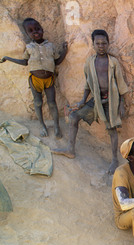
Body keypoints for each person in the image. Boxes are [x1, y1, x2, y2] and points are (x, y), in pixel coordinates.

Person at [52, 29, 128, 174]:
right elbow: (88, 83)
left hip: (111, 101)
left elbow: (121, 84)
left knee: (111, 129)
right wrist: (82, 101)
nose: (101, 46)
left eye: (104, 43)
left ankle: (114, 159)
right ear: (93, 44)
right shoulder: (90, 62)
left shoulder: (113, 62)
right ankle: (70, 149)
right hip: (96, 100)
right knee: (74, 117)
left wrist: (122, 104)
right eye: (98, 43)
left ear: (108, 43)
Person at [1, 18, 68, 138]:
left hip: (49, 80)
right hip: (35, 80)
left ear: (42, 30)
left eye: (37, 29)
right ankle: (42, 125)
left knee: (52, 103)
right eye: (31, 31)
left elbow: (57, 61)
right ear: (27, 34)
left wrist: (65, 50)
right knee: (38, 103)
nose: (35, 32)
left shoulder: (50, 46)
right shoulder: (29, 48)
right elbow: (24, 62)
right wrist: (8, 58)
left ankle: (57, 126)